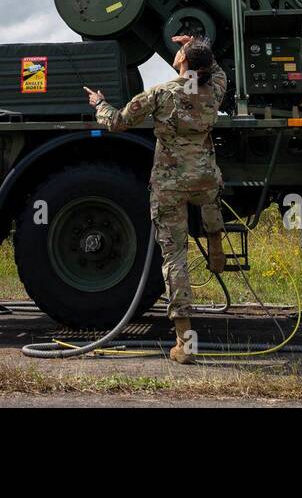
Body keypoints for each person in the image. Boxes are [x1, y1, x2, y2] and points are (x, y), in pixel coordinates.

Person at [86, 35, 227, 364]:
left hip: (171, 183)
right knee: (210, 194)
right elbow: (215, 71)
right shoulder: (213, 91)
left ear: (184, 62)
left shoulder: (162, 94)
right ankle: (215, 240)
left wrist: (100, 104)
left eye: (181, 53)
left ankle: (184, 343)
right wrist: (197, 49)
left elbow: (118, 122)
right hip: (205, 177)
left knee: (175, 256)